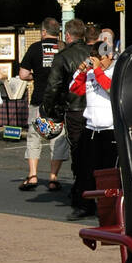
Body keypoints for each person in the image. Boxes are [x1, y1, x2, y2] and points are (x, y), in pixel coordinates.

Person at [17, 17, 70, 190]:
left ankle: (32, 176)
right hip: (59, 102)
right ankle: (53, 178)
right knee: (58, 139)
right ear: (58, 33)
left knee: (34, 137)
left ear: (43, 32)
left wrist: (36, 76)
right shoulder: (63, 48)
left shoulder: (34, 48)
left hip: (39, 99)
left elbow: (23, 74)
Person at [41, 18, 88, 205]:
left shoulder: (62, 56)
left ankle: (80, 188)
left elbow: (53, 86)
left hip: (73, 108)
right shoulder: (92, 53)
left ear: (67, 35)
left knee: (77, 147)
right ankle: (92, 184)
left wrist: (49, 109)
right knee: (94, 148)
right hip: (93, 108)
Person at [67, 41, 117, 219]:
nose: (99, 62)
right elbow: (74, 89)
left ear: (110, 56)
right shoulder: (89, 73)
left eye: (101, 59)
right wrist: (81, 71)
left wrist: (97, 71)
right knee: (85, 170)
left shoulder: (115, 71)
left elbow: (112, 89)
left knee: (108, 172)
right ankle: (84, 206)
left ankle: (109, 209)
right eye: (95, 58)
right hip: (91, 127)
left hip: (109, 130)